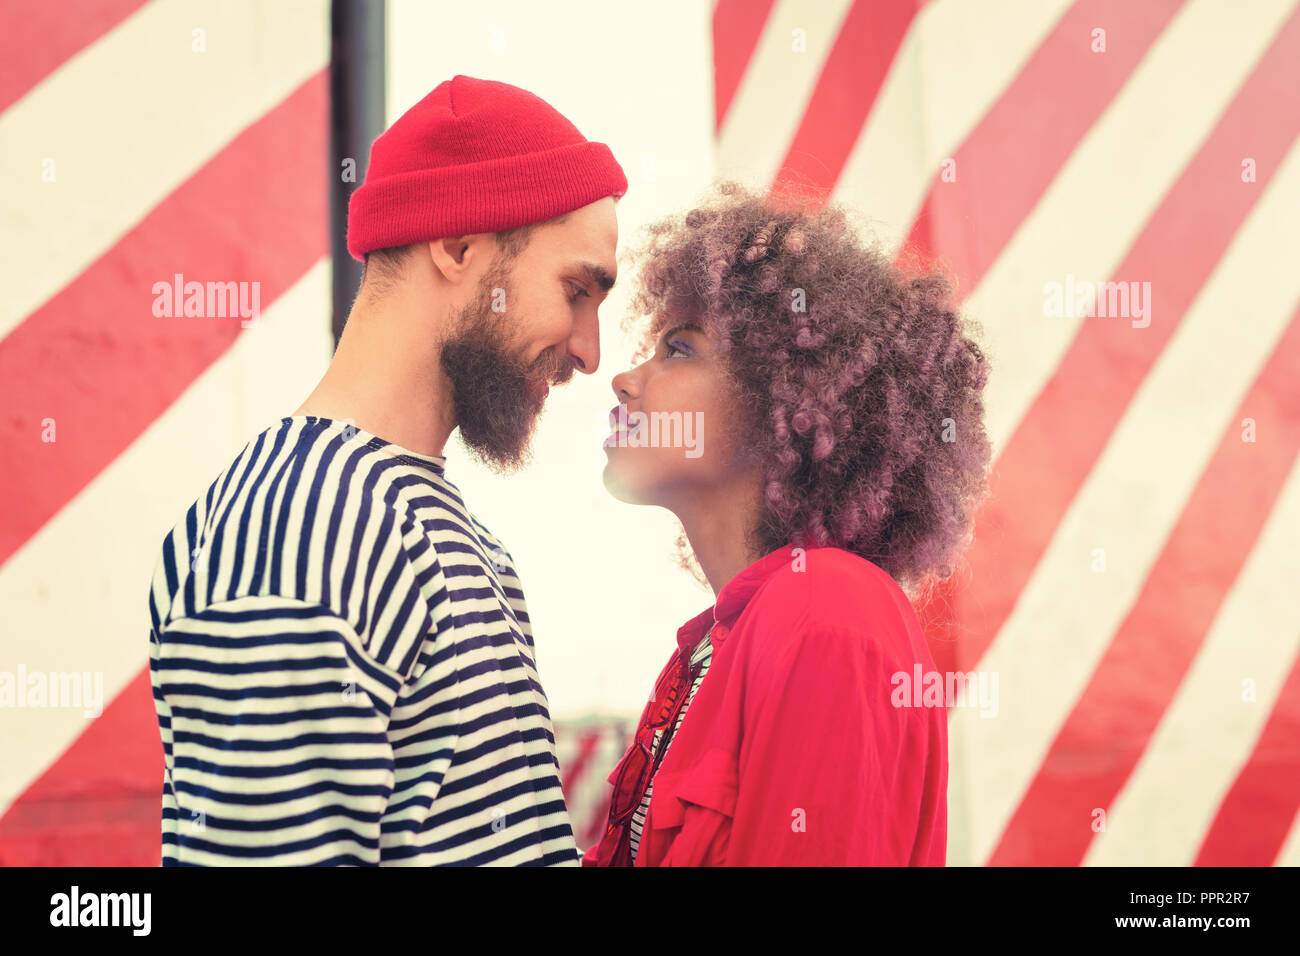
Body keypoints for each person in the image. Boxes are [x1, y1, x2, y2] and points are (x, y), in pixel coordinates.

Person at [146, 75, 626, 865]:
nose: (589, 351)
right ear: (459, 243)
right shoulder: (304, 522)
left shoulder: (414, 517)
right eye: (575, 290)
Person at [584, 182, 992, 866]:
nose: (625, 380)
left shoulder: (828, 611)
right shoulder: (718, 643)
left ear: (791, 402)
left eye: (679, 349)